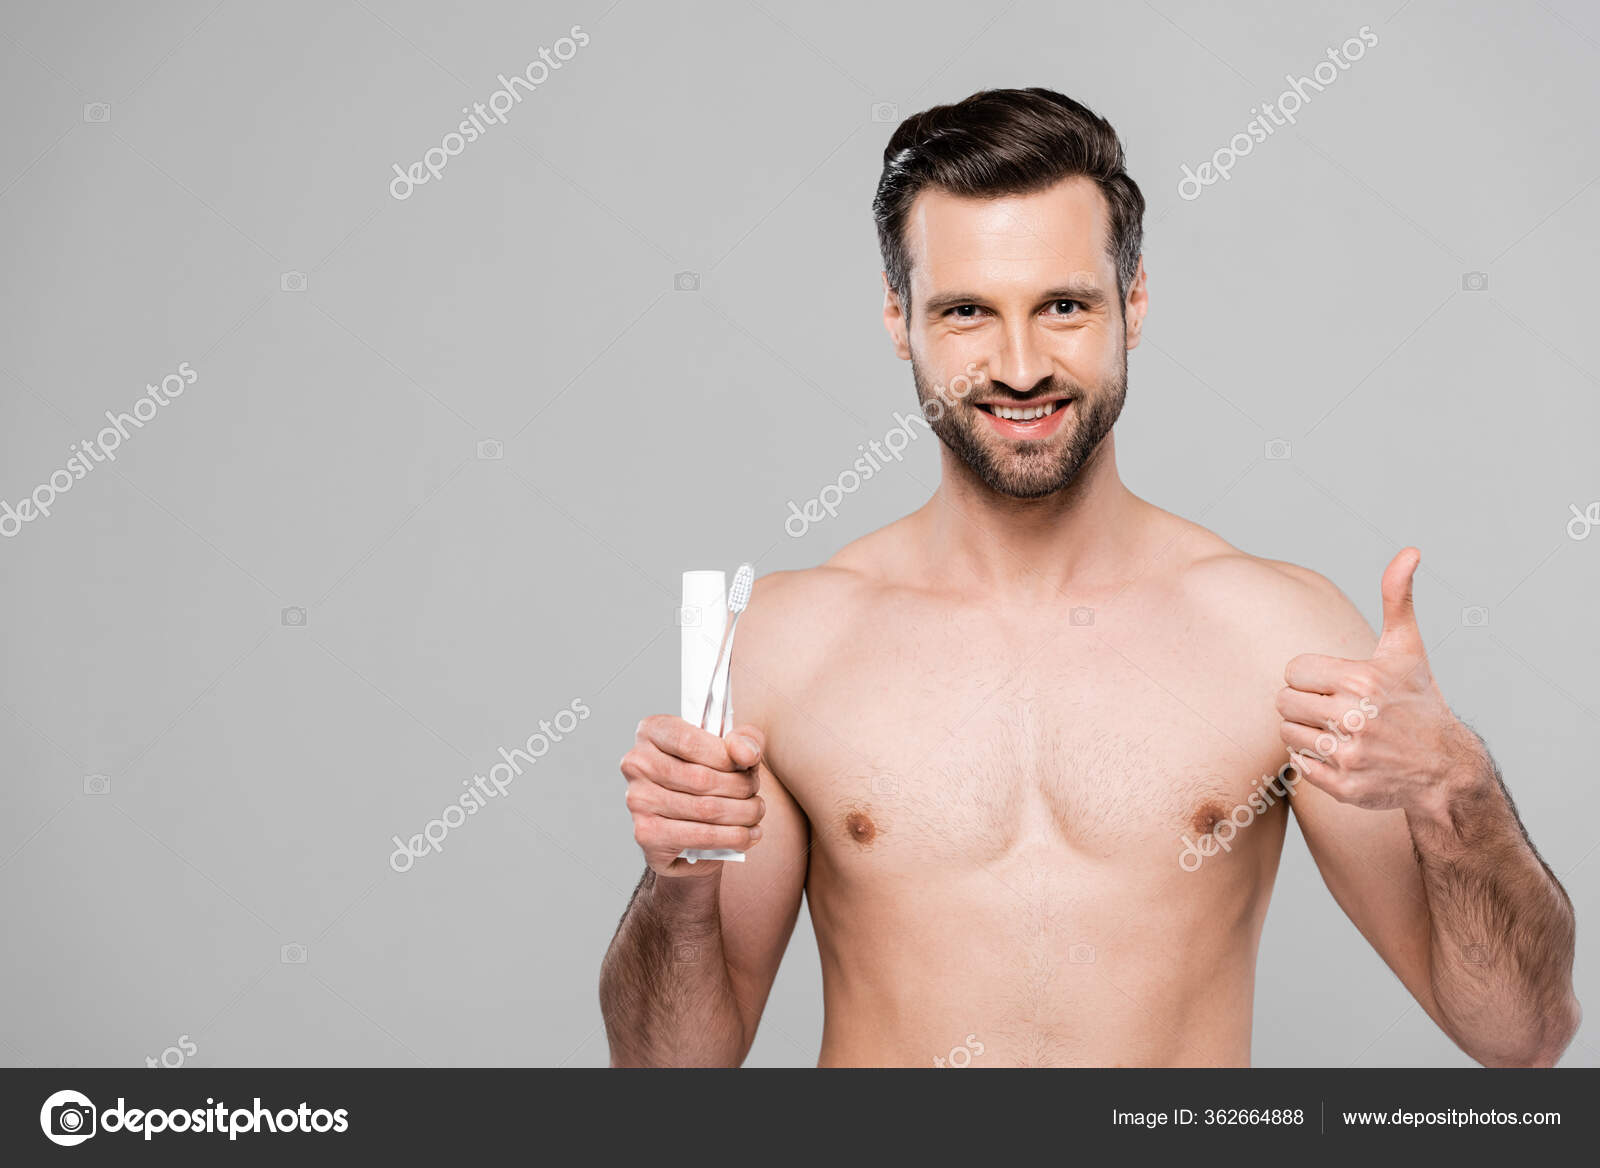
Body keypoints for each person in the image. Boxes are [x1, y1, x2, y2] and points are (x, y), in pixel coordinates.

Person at [599, 88, 1579, 1067]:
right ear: (899, 319)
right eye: (967, 312)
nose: (1021, 366)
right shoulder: (782, 642)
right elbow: (666, 1077)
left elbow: (1521, 1035)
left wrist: (1460, 787)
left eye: (1063, 306)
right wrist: (677, 886)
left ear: (1134, 303)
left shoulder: (1276, 634)